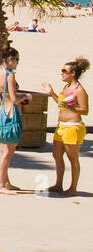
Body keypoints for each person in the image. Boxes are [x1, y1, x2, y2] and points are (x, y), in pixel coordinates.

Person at [40, 57, 89, 196]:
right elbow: (61, 103)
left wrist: (71, 108)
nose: (61, 73)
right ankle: (58, 184)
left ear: (72, 73)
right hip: (61, 126)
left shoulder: (79, 91)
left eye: (64, 71)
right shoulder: (66, 87)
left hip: (73, 127)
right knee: (56, 155)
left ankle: (73, 188)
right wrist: (52, 92)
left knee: (72, 158)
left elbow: (85, 111)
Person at [0, 47, 31, 195]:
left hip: (2, 112)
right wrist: (26, 96)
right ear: (10, 59)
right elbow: (14, 99)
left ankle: (5, 182)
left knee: (3, 150)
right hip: (11, 113)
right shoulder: (9, 75)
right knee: (8, 151)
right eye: (16, 60)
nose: (17, 63)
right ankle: (0, 184)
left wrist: (7, 97)